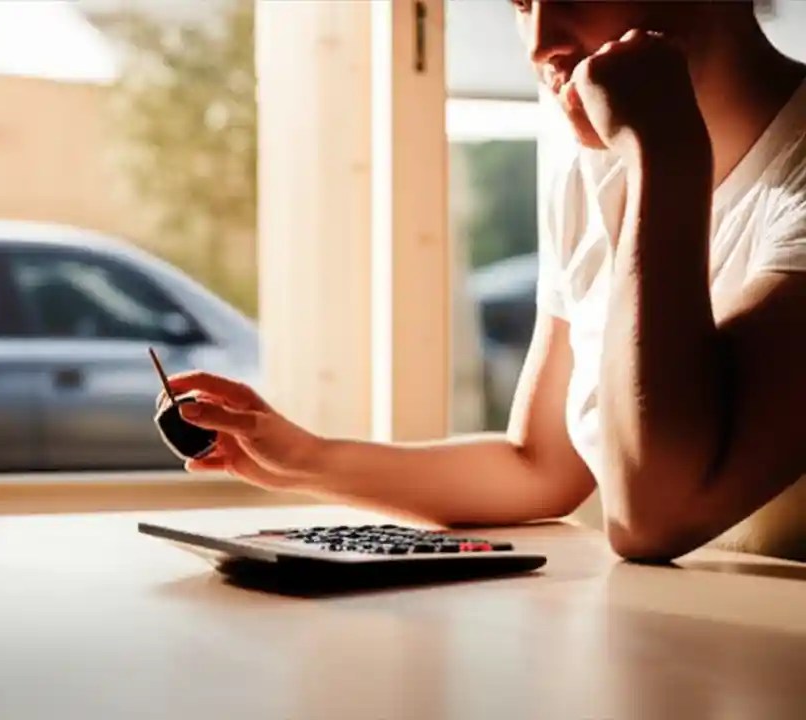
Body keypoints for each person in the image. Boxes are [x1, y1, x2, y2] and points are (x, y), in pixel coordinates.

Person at [167, 0, 806, 564]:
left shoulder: (671, 158)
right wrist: (303, 458)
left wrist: (664, 159)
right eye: (521, 1)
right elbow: (541, 465)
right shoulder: (589, 163)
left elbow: (655, 514)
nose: (538, 43)